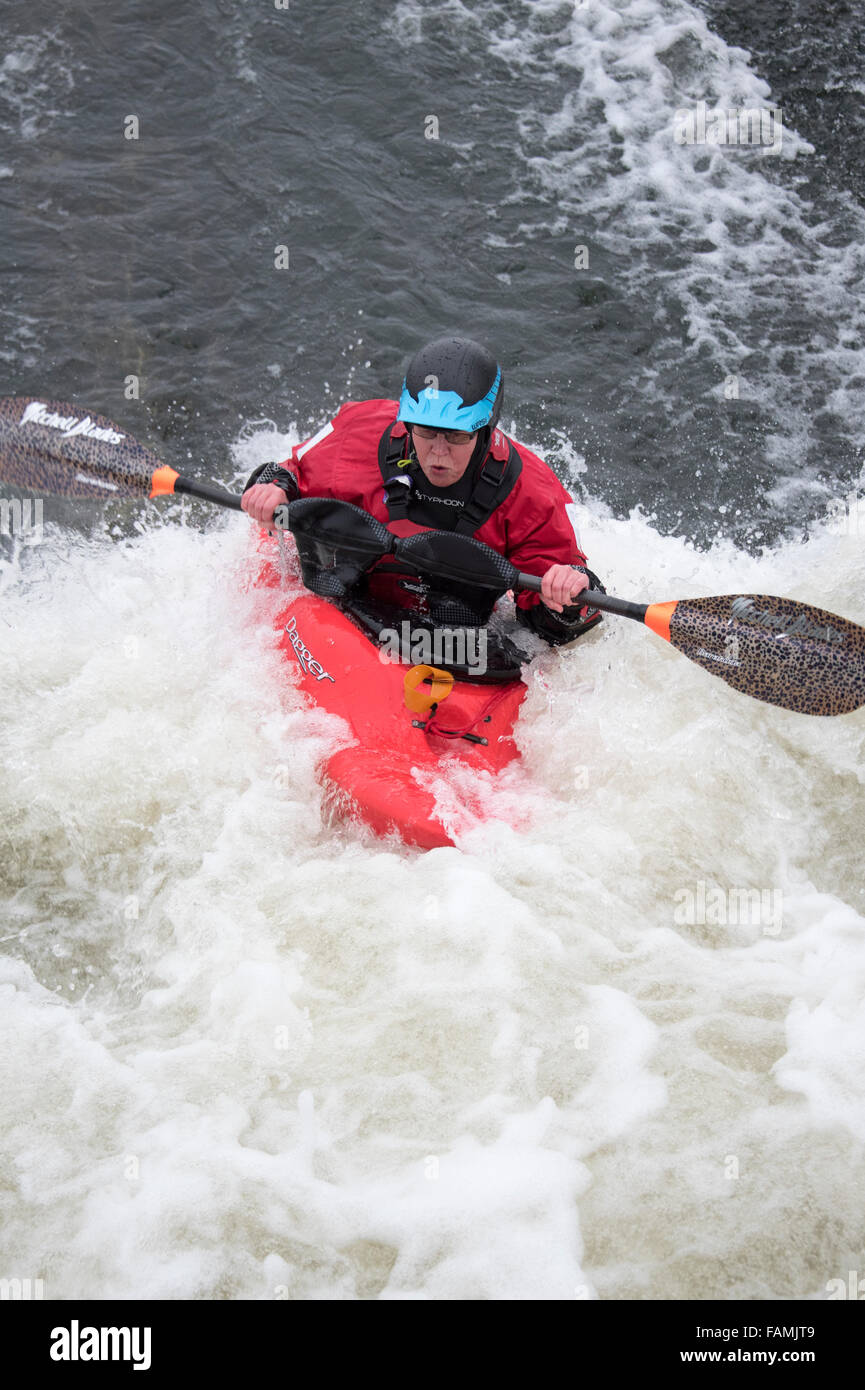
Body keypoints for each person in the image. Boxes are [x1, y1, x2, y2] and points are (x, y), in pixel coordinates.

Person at [242, 336, 604, 644]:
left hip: (457, 633)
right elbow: (289, 472)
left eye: (458, 436)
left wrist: (567, 596)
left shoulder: (531, 493)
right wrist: (273, 488)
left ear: (486, 429)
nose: (438, 452)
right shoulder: (358, 431)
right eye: (426, 432)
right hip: (350, 600)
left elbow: (559, 617)